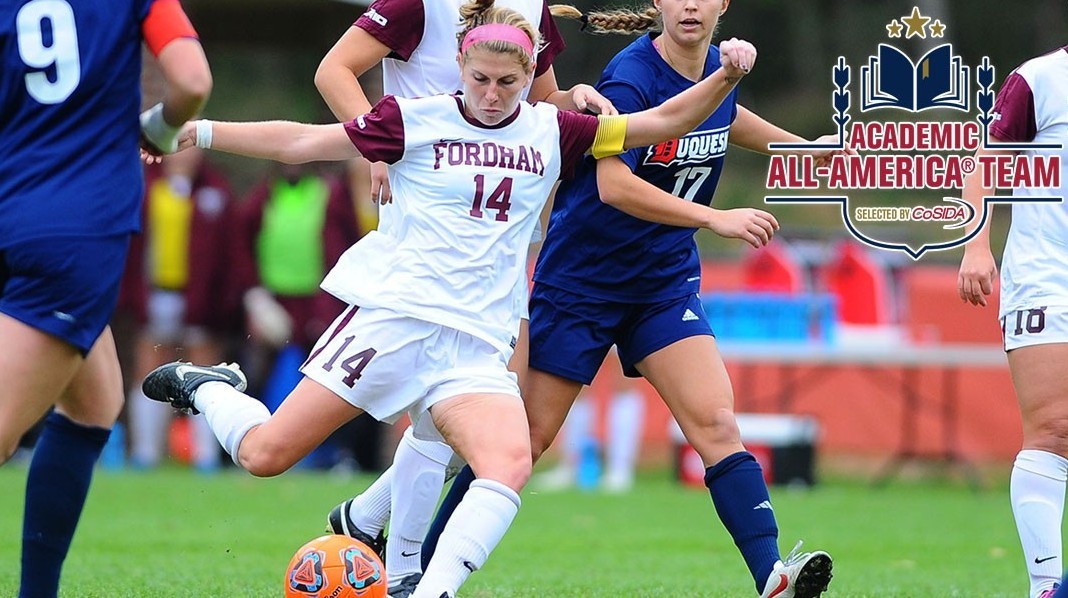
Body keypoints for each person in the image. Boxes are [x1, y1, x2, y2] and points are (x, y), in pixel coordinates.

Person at [138, 3, 759, 596]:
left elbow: (663, 123)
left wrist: (725, 75)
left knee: (510, 462)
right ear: (460, 68)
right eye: (481, 79)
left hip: (473, 346)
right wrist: (201, 129)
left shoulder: (555, 130)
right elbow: (303, 142)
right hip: (396, 321)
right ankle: (207, 385)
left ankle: (427, 587)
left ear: (529, 79)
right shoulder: (415, 119)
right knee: (266, 454)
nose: (492, 95)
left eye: (508, 82)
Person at [422, 2, 847, 596]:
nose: (691, 5)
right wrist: (714, 218)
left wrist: (803, 150)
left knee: (717, 423)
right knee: (522, 442)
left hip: (661, 283)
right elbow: (612, 184)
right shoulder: (632, 76)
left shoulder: (714, 73)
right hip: (583, 282)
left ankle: (771, 576)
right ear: (657, 6)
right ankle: (418, 568)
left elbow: (724, 115)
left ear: (724, 4)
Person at [313, 1, 616, 592]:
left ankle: (370, 521)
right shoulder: (418, 5)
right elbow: (334, 71)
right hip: (432, 230)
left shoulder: (532, 9)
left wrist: (574, 96)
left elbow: (543, 105)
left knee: (487, 420)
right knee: (469, 417)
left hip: (501, 234)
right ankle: (402, 566)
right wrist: (378, 145)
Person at [0, 0, 211, 595]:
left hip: (12, 204)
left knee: (94, 406)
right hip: (72, 229)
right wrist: (160, 127)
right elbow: (192, 81)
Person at [958, 44, 1068, 598]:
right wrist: (977, 245)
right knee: (1056, 428)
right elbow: (984, 162)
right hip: (1048, 276)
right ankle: (1046, 585)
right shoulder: (1040, 78)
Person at [125, 147, 239, 472]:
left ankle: (206, 455)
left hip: (201, 299)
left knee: (204, 371)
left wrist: (225, 301)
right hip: (156, 293)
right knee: (147, 368)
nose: (184, 157)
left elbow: (228, 252)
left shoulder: (215, 191)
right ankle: (146, 453)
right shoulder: (147, 187)